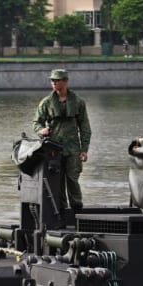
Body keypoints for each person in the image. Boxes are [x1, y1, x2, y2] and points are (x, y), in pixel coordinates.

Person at [34, 69, 92, 210]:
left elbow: (85, 128)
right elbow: (36, 123)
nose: (54, 83)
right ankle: (61, 212)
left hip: (73, 149)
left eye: (57, 80)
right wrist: (41, 130)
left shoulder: (78, 102)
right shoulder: (46, 103)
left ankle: (77, 210)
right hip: (54, 150)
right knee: (57, 182)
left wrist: (84, 150)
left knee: (72, 180)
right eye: (52, 80)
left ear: (65, 81)